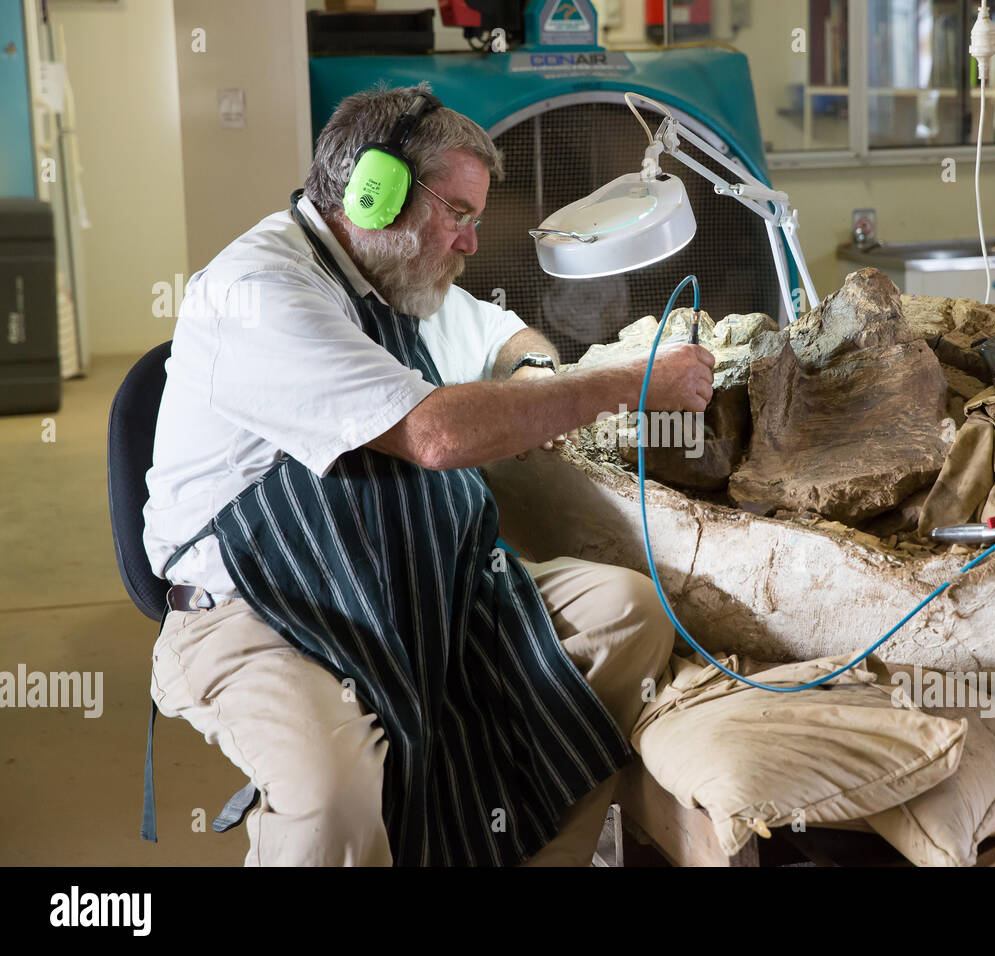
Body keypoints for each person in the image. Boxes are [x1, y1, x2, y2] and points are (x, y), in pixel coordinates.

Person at [141, 83, 715, 866]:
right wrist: (628, 384)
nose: (472, 244)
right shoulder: (261, 292)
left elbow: (505, 334)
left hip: (413, 581)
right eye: (460, 216)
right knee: (333, 791)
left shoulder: (390, 273)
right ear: (375, 197)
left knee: (627, 612)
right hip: (261, 610)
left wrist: (535, 373)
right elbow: (435, 434)